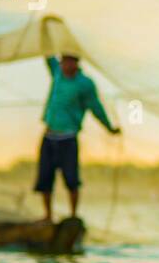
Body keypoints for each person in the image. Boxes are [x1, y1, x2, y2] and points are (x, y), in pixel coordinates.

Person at [34, 52, 119, 222]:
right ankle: (48, 216)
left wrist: (109, 127)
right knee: (45, 178)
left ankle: (73, 215)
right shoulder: (57, 73)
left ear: (76, 63)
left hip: (68, 138)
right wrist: (46, 28)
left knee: (71, 179)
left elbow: (96, 107)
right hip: (49, 136)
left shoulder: (85, 84)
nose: (65, 65)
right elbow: (48, 54)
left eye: (68, 61)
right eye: (63, 61)